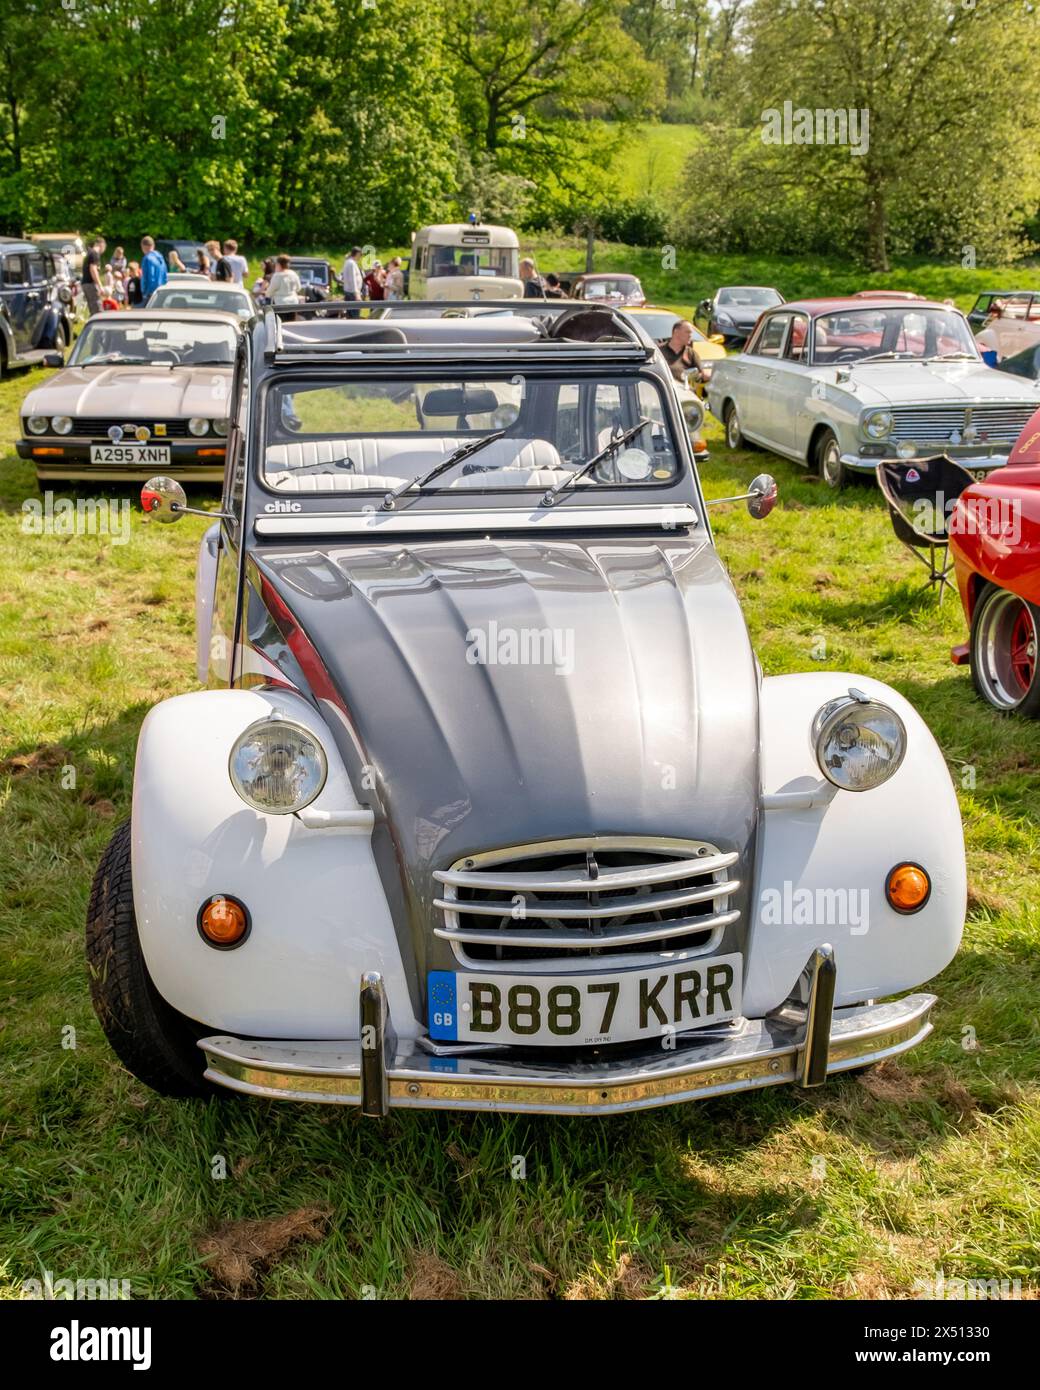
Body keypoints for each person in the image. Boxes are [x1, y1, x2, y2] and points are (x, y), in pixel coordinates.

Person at [81, 235, 106, 315]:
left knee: (93, 310)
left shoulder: (89, 253)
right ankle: (99, 327)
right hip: (90, 284)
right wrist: (100, 285)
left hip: (85, 284)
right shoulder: (95, 254)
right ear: (102, 245)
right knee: (98, 310)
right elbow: (93, 269)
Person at [139, 236, 168, 300]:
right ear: (153, 245)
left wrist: (144, 292)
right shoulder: (160, 257)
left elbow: (147, 277)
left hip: (150, 293)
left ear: (143, 246)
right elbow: (165, 275)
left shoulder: (147, 258)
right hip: (161, 291)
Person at [341, 245, 364, 316]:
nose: (360, 257)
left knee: (350, 313)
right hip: (352, 293)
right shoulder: (351, 263)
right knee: (354, 315)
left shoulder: (348, 262)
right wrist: (357, 294)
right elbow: (352, 279)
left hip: (349, 292)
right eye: (360, 255)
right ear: (357, 254)